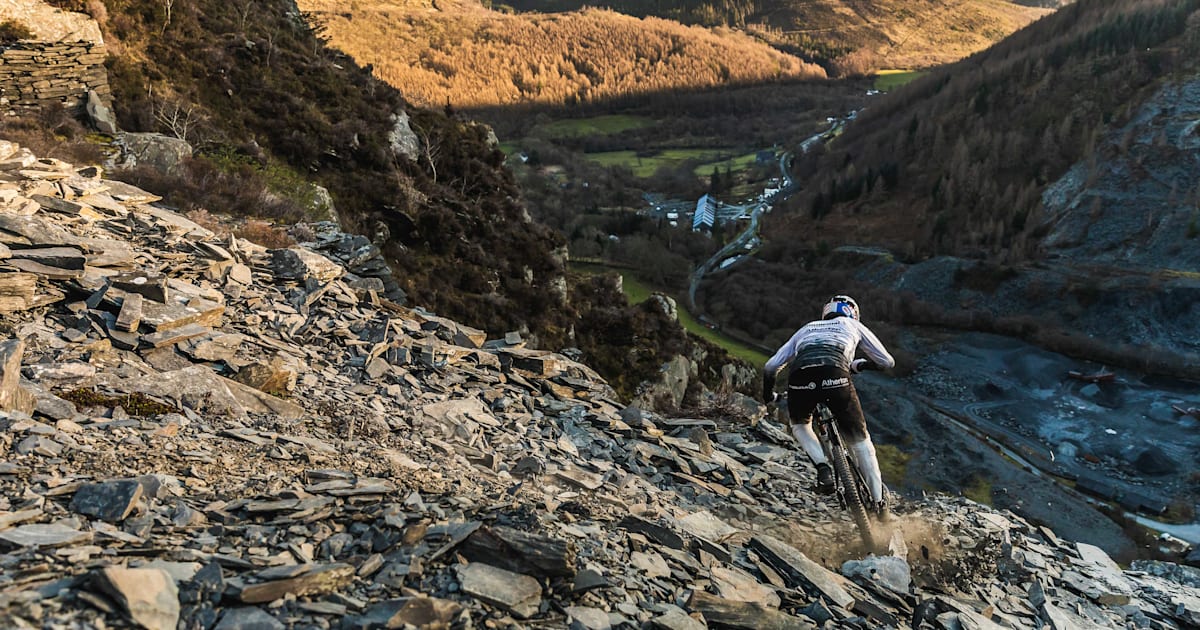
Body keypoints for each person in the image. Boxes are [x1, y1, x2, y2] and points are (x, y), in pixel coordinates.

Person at [762, 295, 895, 517]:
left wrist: (769, 395)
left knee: (801, 426)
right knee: (861, 442)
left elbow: (771, 366)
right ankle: (880, 504)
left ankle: (822, 467)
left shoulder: (807, 328)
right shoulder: (852, 324)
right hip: (836, 374)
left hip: (800, 377)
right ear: (853, 313)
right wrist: (860, 365)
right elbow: (887, 361)